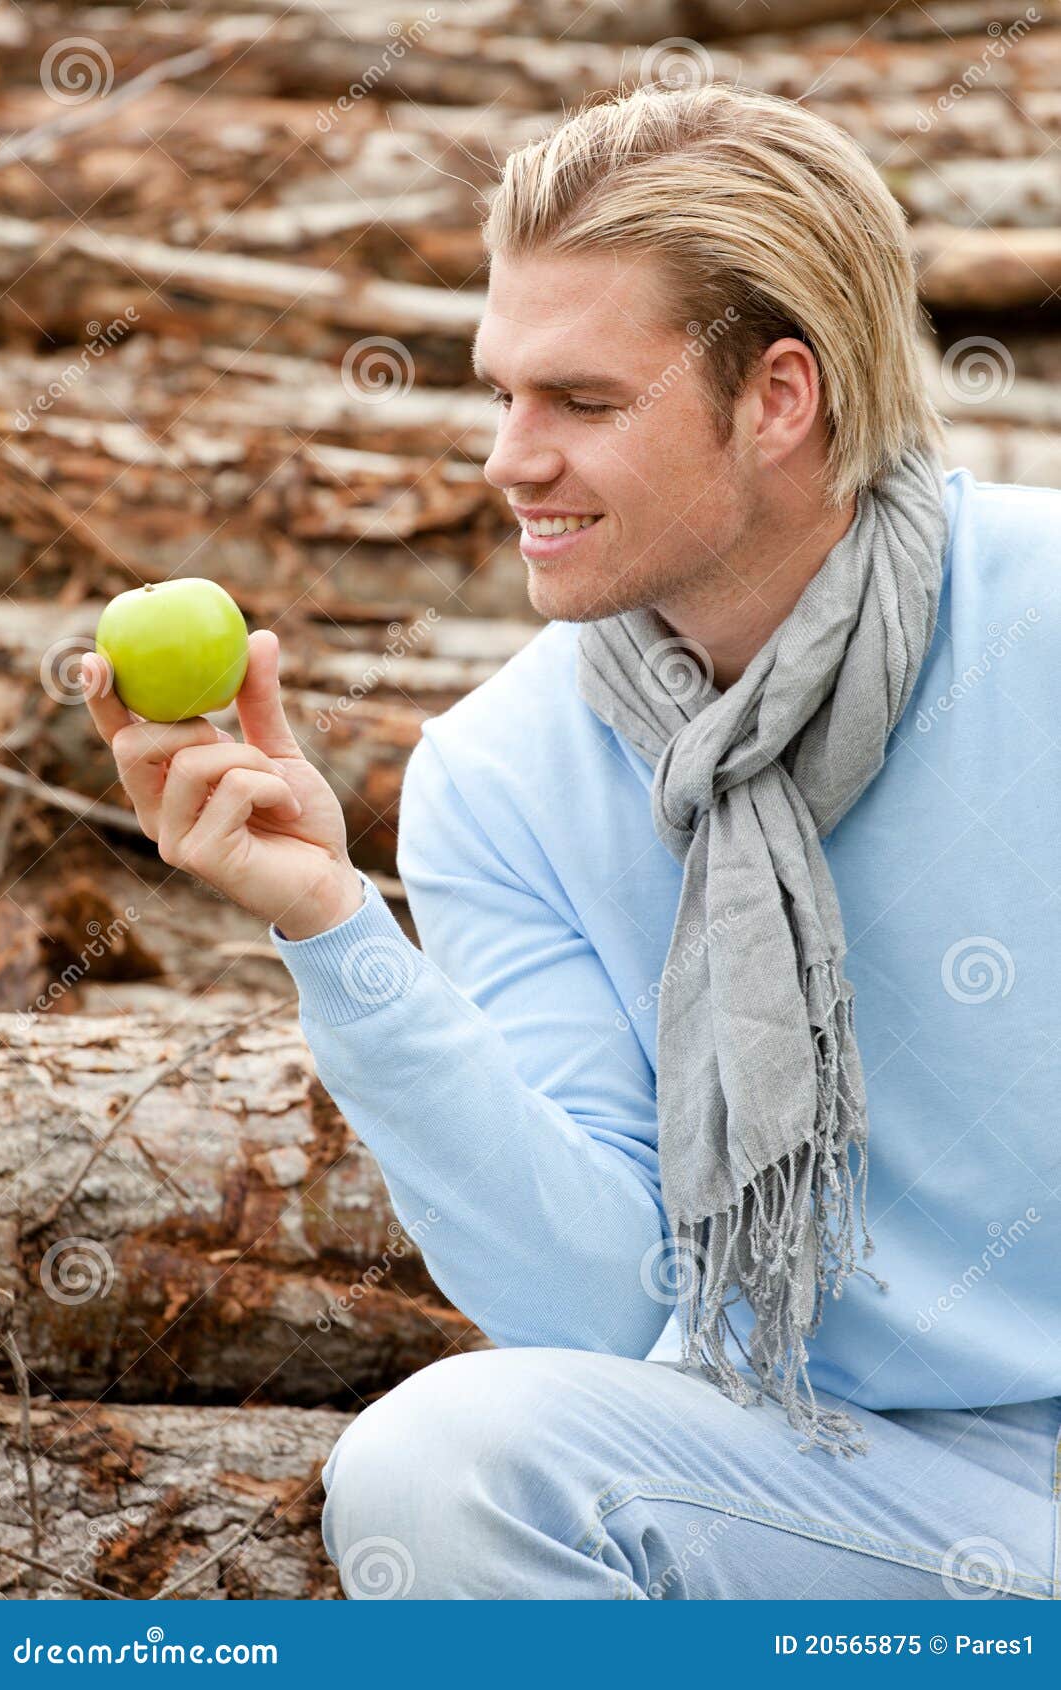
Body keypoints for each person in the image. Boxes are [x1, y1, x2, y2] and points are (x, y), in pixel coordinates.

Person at [83, 82, 1061, 1601]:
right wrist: (337, 932)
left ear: (780, 398)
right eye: (499, 393)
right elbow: (602, 1306)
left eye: (582, 403)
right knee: (440, 1468)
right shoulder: (502, 773)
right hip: (867, 1489)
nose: (507, 459)